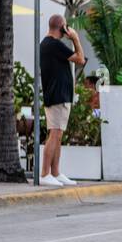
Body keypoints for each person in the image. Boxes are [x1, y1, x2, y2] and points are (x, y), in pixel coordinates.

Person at [39, 14, 86, 188]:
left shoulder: (47, 44)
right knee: (55, 134)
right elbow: (80, 59)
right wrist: (75, 38)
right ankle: (45, 173)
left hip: (59, 95)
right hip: (57, 95)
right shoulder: (54, 44)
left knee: (58, 135)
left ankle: (55, 172)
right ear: (62, 28)